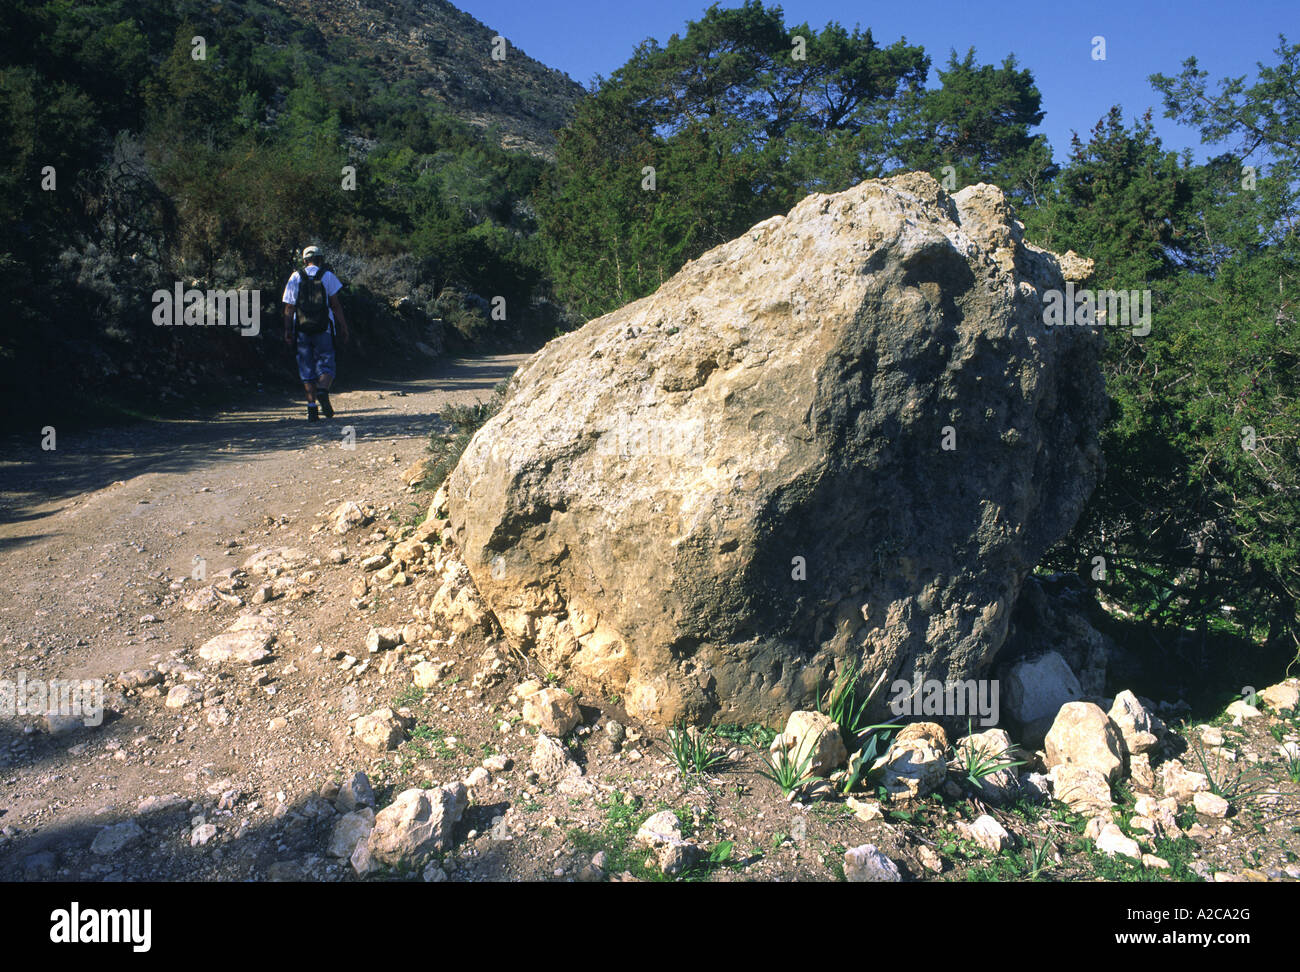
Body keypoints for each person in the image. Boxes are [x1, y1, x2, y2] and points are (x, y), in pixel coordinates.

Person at [282, 245, 349, 421]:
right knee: (327, 362)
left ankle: (312, 408)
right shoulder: (327, 276)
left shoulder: (295, 277)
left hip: (302, 329)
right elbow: (335, 305)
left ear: (304, 260)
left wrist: (288, 330)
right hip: (324, 328)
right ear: (320, 259)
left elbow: (289, 307)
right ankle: (323, 389)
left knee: (306, 367)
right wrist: (343, 327)